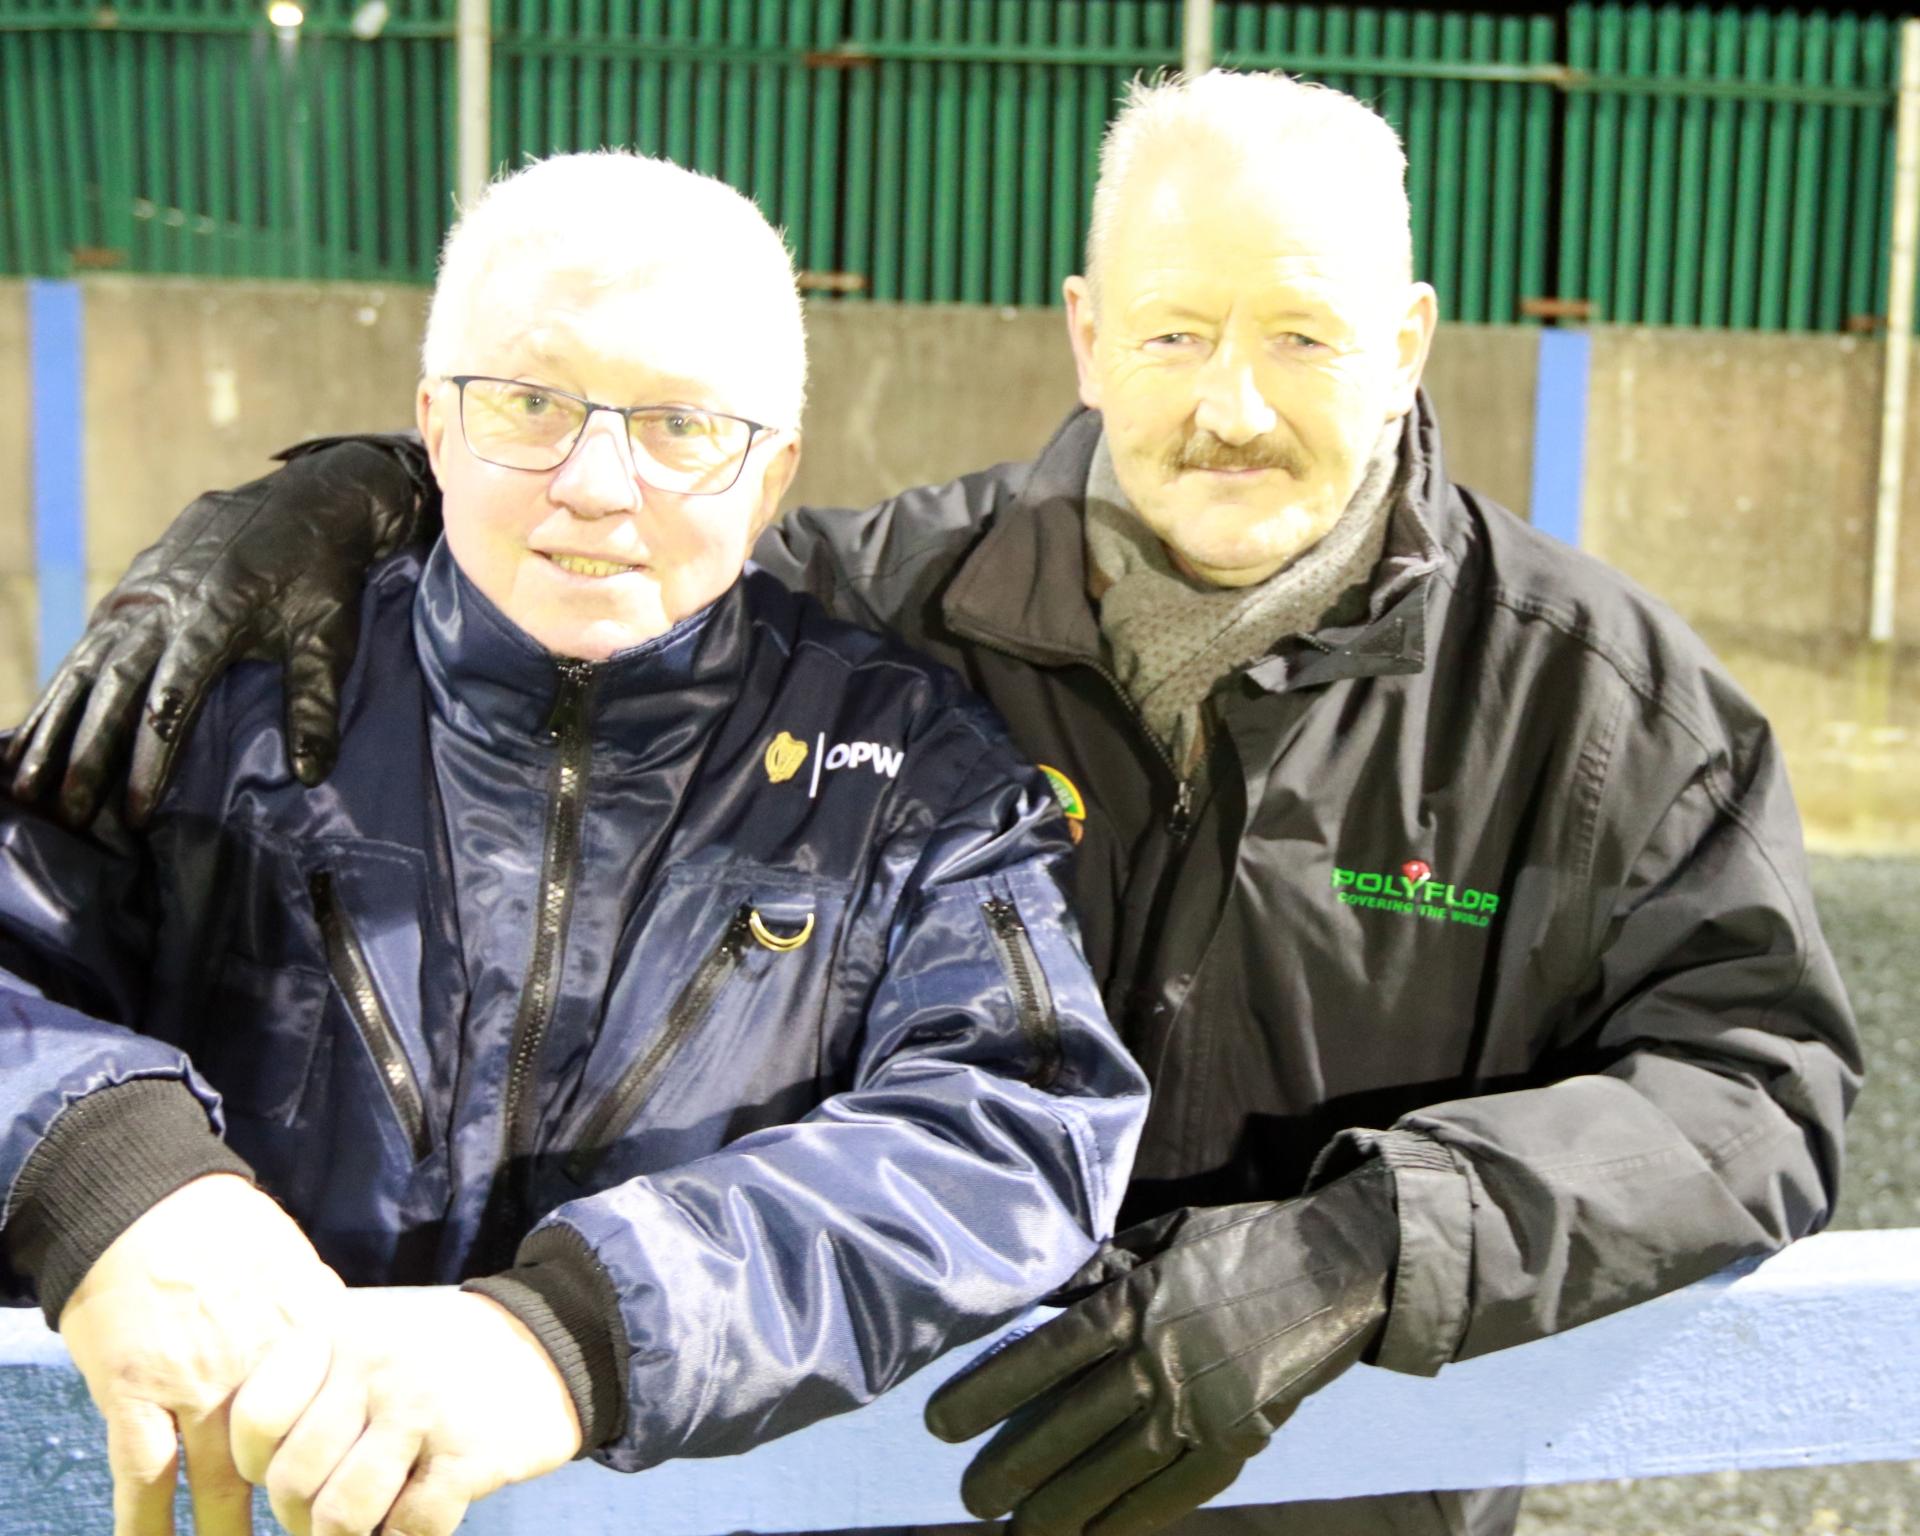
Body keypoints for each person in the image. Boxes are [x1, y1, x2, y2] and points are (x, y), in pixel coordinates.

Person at [8, 73, 1859, 1536]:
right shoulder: (887, 607)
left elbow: (1757, 1082)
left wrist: (1364, 1253)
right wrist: (318, 505)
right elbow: (626, 539)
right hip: (916, 1483)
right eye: (1171, 333)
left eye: (1302, 335)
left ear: (1412, 338)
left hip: (1343, 1500)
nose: (1230, 403)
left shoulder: (1593, 703)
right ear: (1080, 333)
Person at [0, 150, 1149, 1536]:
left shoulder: (912, 776)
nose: (598, 482)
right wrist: (102, 1165)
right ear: (431, 423)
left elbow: (1020, 1125)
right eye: (530, 404)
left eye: (681, 426)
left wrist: (578, 1330)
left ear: (772, 471)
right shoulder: (224, 696)